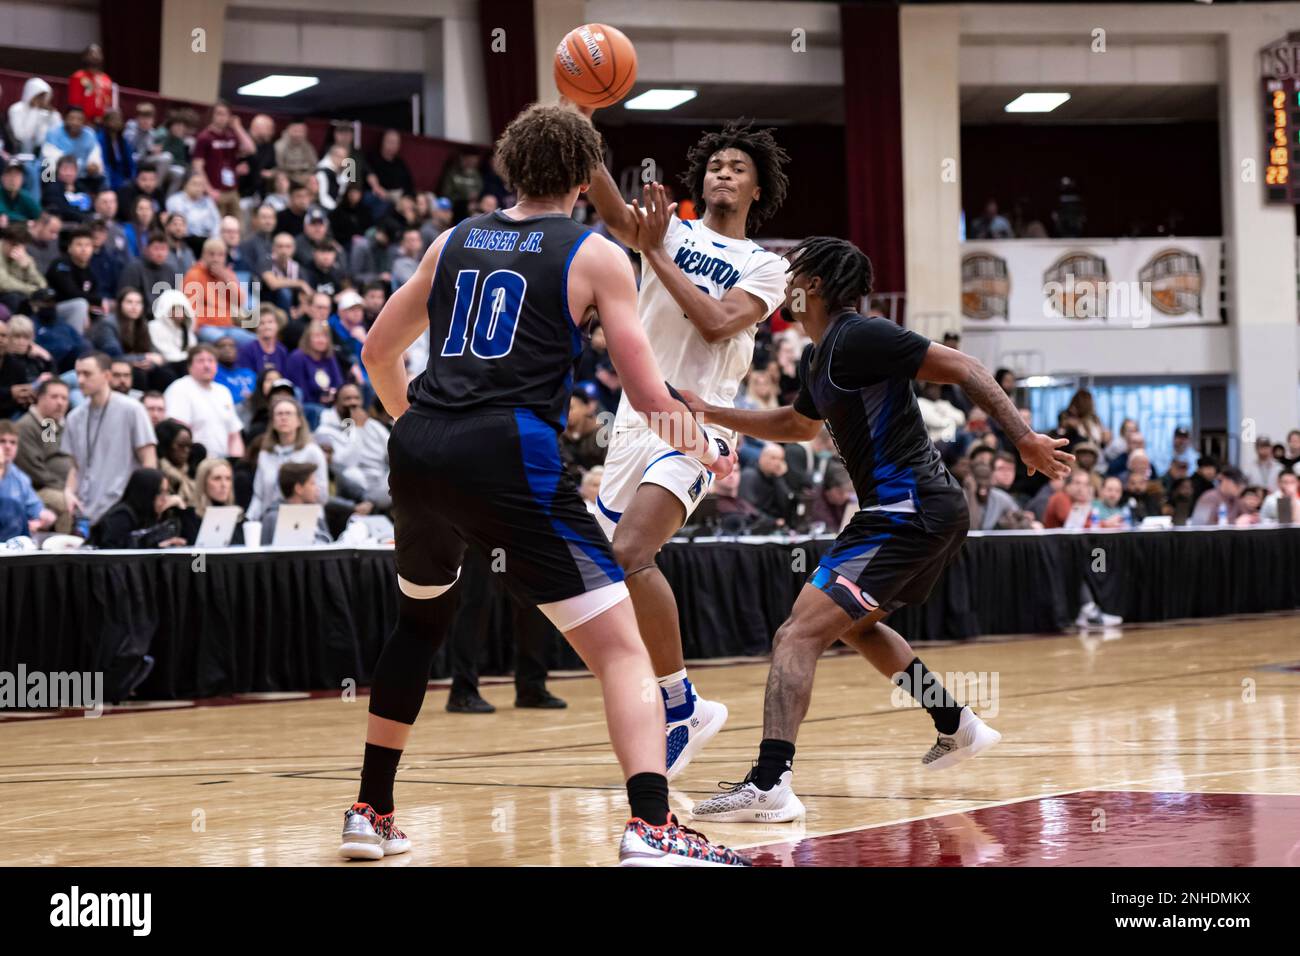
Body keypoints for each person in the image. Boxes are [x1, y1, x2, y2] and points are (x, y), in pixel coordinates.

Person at [341, 104, 746, 866]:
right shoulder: (596, 255)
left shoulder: (455, 238)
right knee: (623, 650)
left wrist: (422, 432)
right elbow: (652, 398)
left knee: (419, 626)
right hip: (509, 451)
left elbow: (375, 351)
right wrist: (710, 449)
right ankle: (654, 827)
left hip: (420, 442)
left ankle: (370, 810)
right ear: (585, 179)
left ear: (510, 168)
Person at [683, 236, 1072, 824]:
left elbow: (964, 366)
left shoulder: (860, 333)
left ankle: (769, 784)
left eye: (794, 272)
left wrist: (1022, 438)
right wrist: (708, 411)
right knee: (858, 627)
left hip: (905, 509)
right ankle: (956, 723)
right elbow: (794, 424)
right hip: (919, 510)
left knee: (797, 636)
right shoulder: (822, 356)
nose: (786, 280)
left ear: (811, 284)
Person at [576, 105, 792, 778]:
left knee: (629, 552)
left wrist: (653, 251)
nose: (725, 172)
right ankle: (684, 703)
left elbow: (718, 322)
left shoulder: (765, 264)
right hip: (633, 418)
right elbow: (612, 210)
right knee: (608, 569)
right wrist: (579, 126)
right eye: (717, 165)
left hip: (697, 423)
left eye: (739, 168)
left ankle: (681, 702)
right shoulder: (668, 231)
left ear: (757, 189)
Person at [62, 352, 158, 526]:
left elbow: (149, 464)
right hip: (85, 511)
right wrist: (69, 491)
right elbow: (75, 467)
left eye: (87, 374)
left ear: (106, 375)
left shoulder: (132, 409)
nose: (81, 380)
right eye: (78, 374)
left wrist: (139, 507)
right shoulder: (73, 417)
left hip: (122, 511)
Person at [246, 396, 328, 520]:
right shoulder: (265, 454)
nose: (283, 417)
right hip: (272, 518)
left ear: (299, 421)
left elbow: (323, 495)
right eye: (279, 414)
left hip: (306, 519)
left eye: (288, 413)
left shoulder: (312, 452)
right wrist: (249, 520)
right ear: (273, 421)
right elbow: (259, 495)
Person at [163, 344, 245, 461]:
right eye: (200, 361)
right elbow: (178, 430)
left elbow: (234, 434)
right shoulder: (179, 388)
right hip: (193, 460)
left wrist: (236, 461)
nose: (206, 365)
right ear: (189, 366)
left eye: (211, 360)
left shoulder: (223, 391)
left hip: (222, 463)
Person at [14, 378, 74, 531]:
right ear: (39, 398)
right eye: (54, 397)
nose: (60, 403)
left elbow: (52, 454)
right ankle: (64, 552)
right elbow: (35, 471)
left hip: (65, 486)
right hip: (37, 490)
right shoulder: (26, 426)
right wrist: (67, 490)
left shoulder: (50, 423)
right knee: (64, 503)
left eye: (64, 398)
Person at [88, 466, 187, 549]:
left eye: (166, 492)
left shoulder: (150, 515)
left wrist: (180, 508)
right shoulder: (121, 515)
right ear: (147, 492)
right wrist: (156, 545)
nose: (165, 498)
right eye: (160, 492)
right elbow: (113, 552)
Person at [0, 419, 55, 538]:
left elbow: (36, 509)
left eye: (13, 442)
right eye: (2, 441)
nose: (8, 446)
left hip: (12, 547)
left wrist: (45, 518)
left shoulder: (21, 478)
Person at [259, 460, 331, 545]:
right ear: (298, 489)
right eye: (312, 484)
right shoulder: (273, 518)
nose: (317, 489)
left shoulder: (316, 517)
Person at [180, 456, 243, 545]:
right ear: (203, 482)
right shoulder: (189, 517)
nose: (224, 484)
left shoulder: (239, 518)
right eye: (217, 478)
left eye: (228, 479)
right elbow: (197, 557)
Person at [154, 419, 198, 506]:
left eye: (189, 446)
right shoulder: (155, 475)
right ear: (166, 445)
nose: (186, 451)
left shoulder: (191, 472)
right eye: (180, 446)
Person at [67, 44, 113, 124]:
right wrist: (83, 120)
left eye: (98, 53)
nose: (95, 55)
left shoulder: (106, 79)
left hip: (103, 124)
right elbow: (74, 103)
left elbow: (109, 102)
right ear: (85, 57)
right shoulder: (78, 76)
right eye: (91, 53)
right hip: (83, 123)